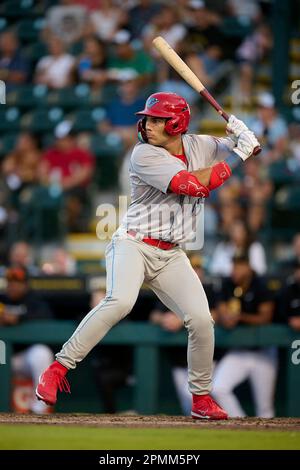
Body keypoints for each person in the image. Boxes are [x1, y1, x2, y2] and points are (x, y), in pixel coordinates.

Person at [36, 92, 260, 420]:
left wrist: (244, 136)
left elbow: (234, 144)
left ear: (177, 123)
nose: (148, 125)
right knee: (121, 301)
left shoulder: (199, 144)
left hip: (171, 254)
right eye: (148, 118)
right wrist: (241, 152)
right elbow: (195, 186)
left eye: (157, 119)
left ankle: (200, 399)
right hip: (134, 244)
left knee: (201, 321)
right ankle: (56, 369)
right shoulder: (143, 154)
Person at [212, 254, 277, 417]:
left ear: (249, 267)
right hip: (239, 351)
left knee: (265, 408)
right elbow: (221, 311)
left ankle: (267, 439)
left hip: (263, 352)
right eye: (233, 265)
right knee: (218, 387)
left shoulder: (260, 284)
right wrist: (226, 317)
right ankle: (241, 423)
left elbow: (266, 317)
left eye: (239, 266)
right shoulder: (227, 284)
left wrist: (240, 317)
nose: (235, 270)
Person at [0, 266, 54, 414]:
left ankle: (39, 410)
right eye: (10, 282)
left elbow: (46, 317)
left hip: (23, 359)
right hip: (3, 357)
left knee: (41, 353)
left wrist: (19, 318)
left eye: (18, 283)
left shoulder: (33, 300)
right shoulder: (2, 299)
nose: (13, 286)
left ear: (25, 285)